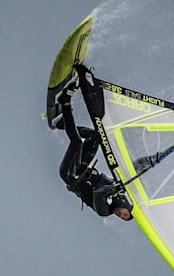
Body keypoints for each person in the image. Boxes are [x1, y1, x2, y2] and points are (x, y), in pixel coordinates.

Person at [56, 79, 133, 221]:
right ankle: (61, 123)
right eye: (125, 213)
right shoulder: (119, 192)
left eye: (122, 217)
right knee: (95, 136)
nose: (120, 214)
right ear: (126, 207)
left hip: (71, 175)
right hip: (83, 167)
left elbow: (98, 193)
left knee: (77, 143)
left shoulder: (104, 211)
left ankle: (65, 102)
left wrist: (112, 188)